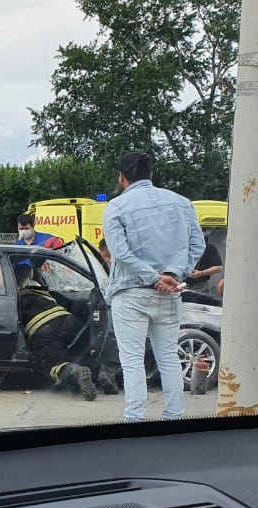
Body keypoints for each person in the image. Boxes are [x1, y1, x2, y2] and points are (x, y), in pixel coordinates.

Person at [102, 152, 205, 422]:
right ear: (151, 175)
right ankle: (174, 417)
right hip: (170, 294)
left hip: (131, 292)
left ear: (121, 177)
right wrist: (171, 274)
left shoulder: (116, 207)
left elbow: (120, 253)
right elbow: (198, 246)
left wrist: (152, 277)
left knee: (132, 359)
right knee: (169, 357)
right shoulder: (182, 203)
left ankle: (135, 421)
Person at [14, 263, 118, 401]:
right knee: (81, 351)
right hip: (68, 322)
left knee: (53, 363)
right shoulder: (41, 289)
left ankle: (75, 371)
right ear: (30, 275)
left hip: (42, 331)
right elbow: (66, 303)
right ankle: (101, 370)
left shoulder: (15, 295)